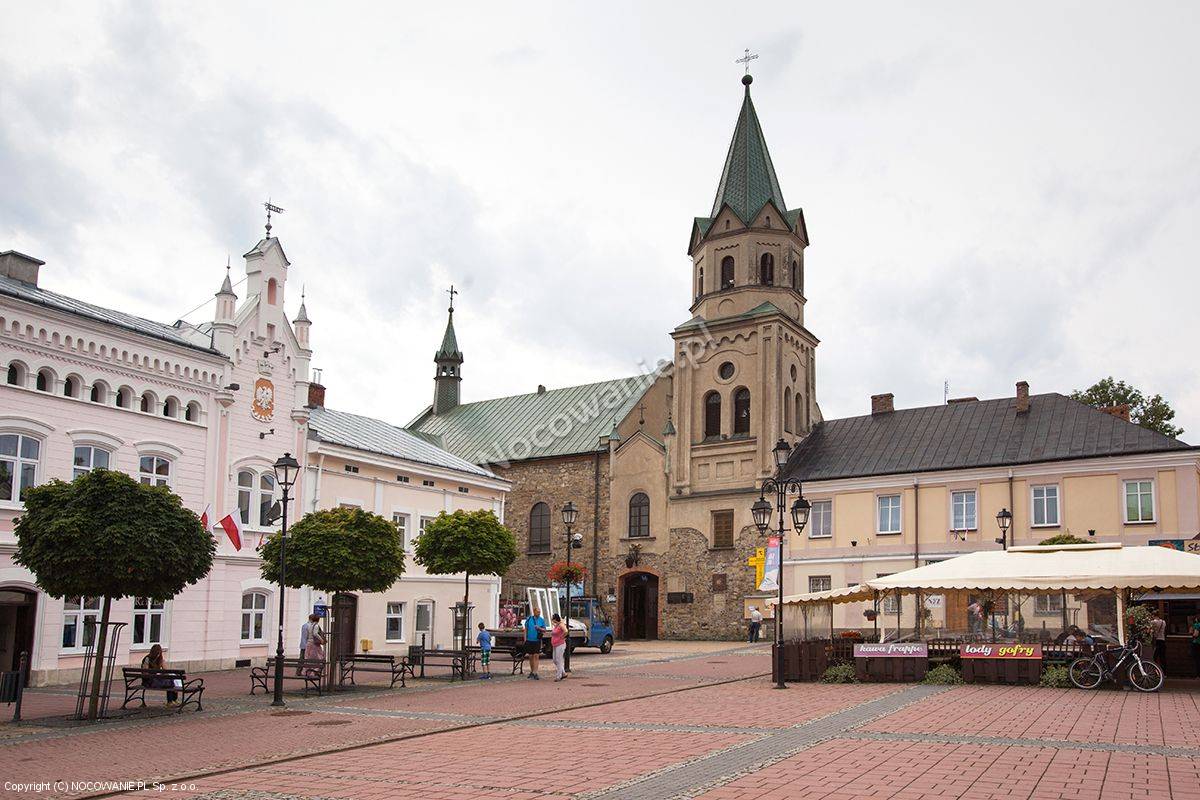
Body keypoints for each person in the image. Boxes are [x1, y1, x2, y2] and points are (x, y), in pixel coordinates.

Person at [524, 606, 546, 680]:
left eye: (539, 612)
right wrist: (525, 639)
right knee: (530, 656)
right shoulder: (529, 619)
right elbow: (526, 629)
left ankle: (535, 672)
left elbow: (544, 630)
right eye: (538, 611)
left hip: (537, 640)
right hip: (530, 640)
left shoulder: (541, 620)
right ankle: (532, 671)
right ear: (534, 612)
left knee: (536, 656)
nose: (539, 613)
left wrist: (539, 628)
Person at [550, 614, 568, 682]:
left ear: (555, 619)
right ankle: (563, 672)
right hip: (555, 644)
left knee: (559, 659)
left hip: (560, 644)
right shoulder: (556, 625)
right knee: (555, 659)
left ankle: (559, 675)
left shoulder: (561, 624)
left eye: (552, 618)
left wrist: (562, 637)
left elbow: (566, 631)